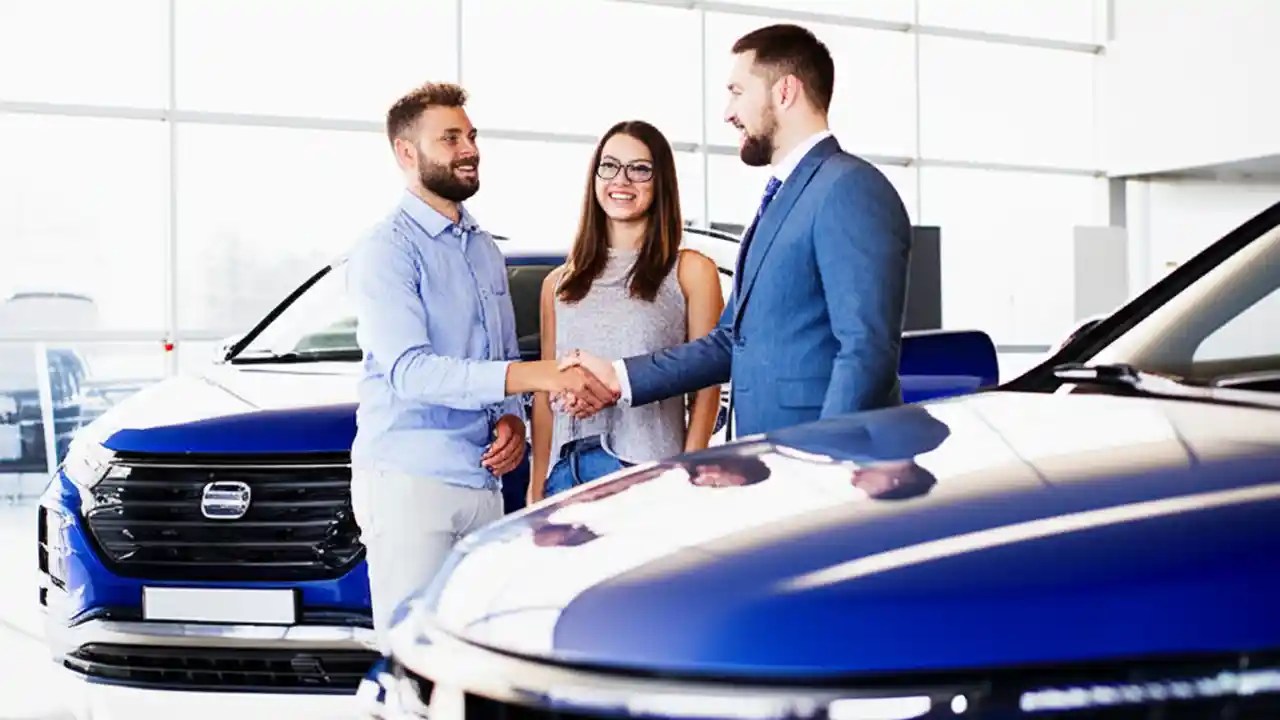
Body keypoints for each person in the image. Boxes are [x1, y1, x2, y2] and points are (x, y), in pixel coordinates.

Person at [344, 81, 617, 651]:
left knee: (479, 654)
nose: (469, 149)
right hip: (411, 481)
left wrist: (513, 418)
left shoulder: (484, 249)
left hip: (484, 482)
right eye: (450, 138)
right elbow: (411, 371)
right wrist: (535, 378)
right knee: (413, 656)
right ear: (406, 152)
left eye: (471, 136)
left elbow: (499, 357)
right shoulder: (386, 249)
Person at [559, 24, 913, 437]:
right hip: (771, 452)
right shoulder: (786, 196)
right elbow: (730, 341)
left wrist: (827, 456)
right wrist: (620, 376)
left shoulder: (849, 188)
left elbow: (866, 349)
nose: (728, 113)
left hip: (816, 457)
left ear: (784, 92)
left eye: (737, 92)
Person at [529, 120, 725, 502]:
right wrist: (538, 484)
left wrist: (688, 474)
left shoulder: (690, 271)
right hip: (564, 475)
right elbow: (544, 393)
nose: (621, 179)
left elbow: (707, 387)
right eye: (610, 166)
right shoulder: (557, 284)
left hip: (645, 473)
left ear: (660, 180)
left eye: (639, 169)